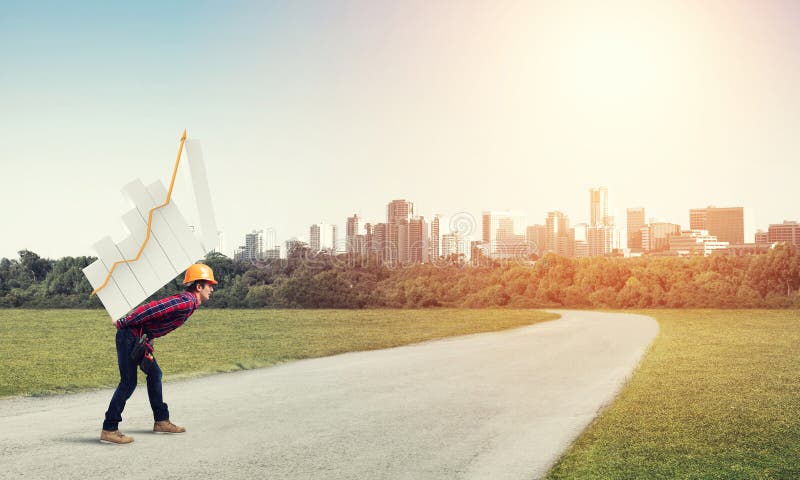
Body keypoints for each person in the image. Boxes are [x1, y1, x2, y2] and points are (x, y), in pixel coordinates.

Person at [99, 263, 217, 445]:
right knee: (128, 382)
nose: (212, 289)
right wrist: (123, 322)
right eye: (210, 285)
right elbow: (152, 309)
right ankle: (109, 429)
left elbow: (157, 320)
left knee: (155, 374)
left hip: (139, 338)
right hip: (129, 336)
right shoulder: (186, 301)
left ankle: (161, 421)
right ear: (199, 287)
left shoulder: (190, 304)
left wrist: (148, 339)